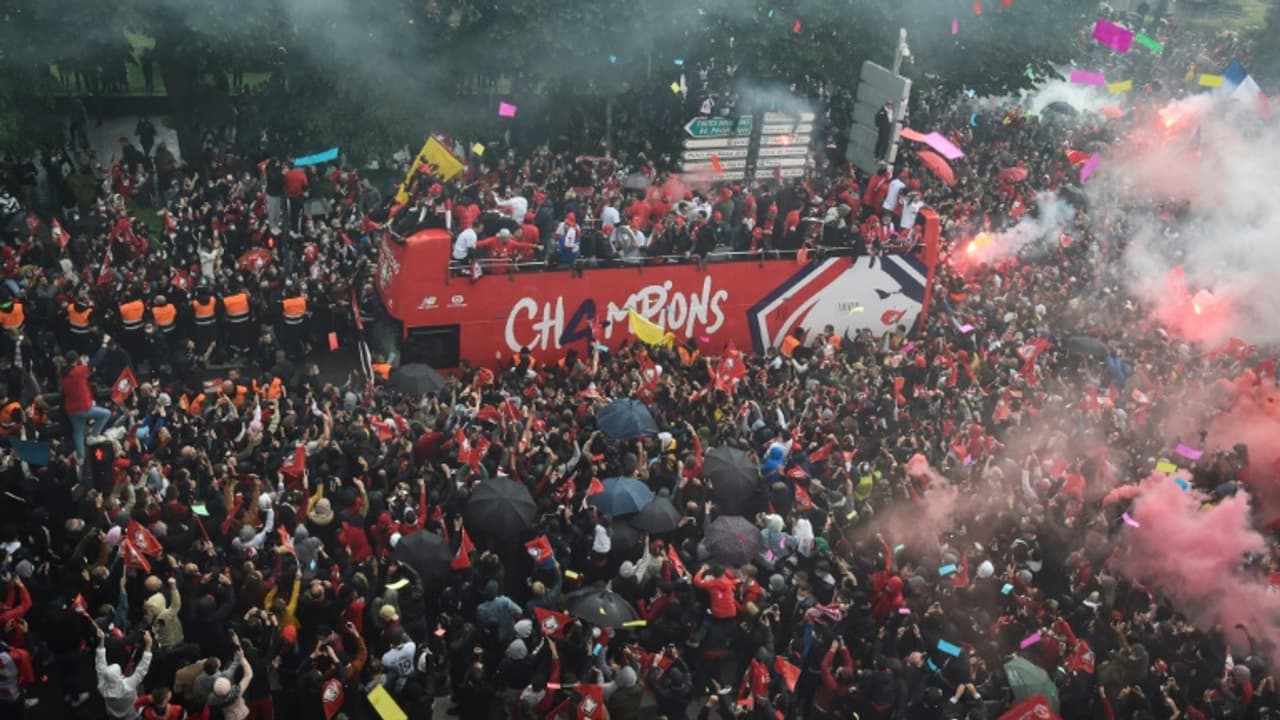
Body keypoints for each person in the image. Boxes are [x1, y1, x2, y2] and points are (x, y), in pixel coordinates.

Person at [59, 335, 112, 466]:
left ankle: (81, 458)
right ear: (76, 360)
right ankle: (94, 435)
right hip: (84, 407)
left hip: (71, 409)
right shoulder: (78, 371)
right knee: (106, 413)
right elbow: (96, 360)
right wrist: (104, 344)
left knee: (78, 432)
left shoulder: (63, 375)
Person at [95, 627, 153, 720]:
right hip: (133, 716)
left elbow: (100, 665)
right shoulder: (128, 686)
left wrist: (101, 641)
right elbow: (143, 668)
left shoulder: (102, 687)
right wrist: (148, 645)